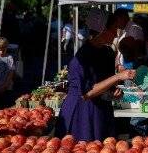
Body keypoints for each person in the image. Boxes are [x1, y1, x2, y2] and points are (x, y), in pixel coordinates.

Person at [56, 13, 136, 141]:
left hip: (101, 111)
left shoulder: (108, 53)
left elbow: (106, 85)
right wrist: (118, 77)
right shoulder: (82, 57)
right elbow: (86, 93)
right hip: (82, 113)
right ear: (102, 30)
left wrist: (114, 93)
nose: (116, 35)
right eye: (114, 30)